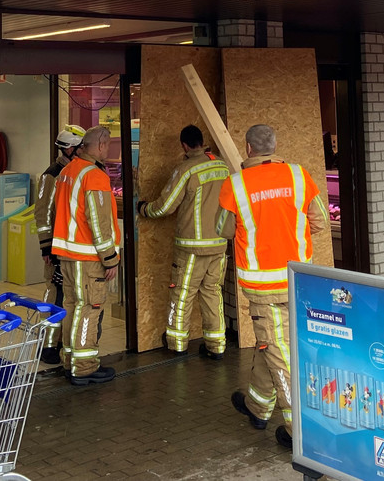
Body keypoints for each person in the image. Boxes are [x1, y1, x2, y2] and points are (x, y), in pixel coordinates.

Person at [216, 123, 329, 450]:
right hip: (299, 280)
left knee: (281, 355)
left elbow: (223, 229)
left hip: (263, 288)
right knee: (276, 347)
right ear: (275, 146)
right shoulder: (298, 175)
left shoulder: (235, 185)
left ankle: (301, 432)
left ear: (248, 149)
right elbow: (319, 220)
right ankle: (257, 406)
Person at [136, 124, 230, 358]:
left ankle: (177, 345)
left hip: (192, 247)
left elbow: (165, 206)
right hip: (219, 244)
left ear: (184, 145)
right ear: (202, 142)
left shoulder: (186, 169)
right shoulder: (222, 165)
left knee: (182, 294)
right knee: (212, 293)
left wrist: (144, 209)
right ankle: (216, 346)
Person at [52, 125, 122, 385]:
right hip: (88, 257)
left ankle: (70, 359)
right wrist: (110, 257)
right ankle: (84, 367)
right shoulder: (94, 176)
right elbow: (99, 220)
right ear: (102, 145)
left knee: (71, 306)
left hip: (67, 255)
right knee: (90, 309)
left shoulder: (68, 171)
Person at [35, 123, 85, 366]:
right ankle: (47, 345)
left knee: (69, 297)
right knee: (55, 295)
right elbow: (42, 214)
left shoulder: (79, 172)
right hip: (56, 251)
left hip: (70, 249)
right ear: (69, 149)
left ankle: (63, 342)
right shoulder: (52, 174)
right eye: (80, 147)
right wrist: (47, 248)